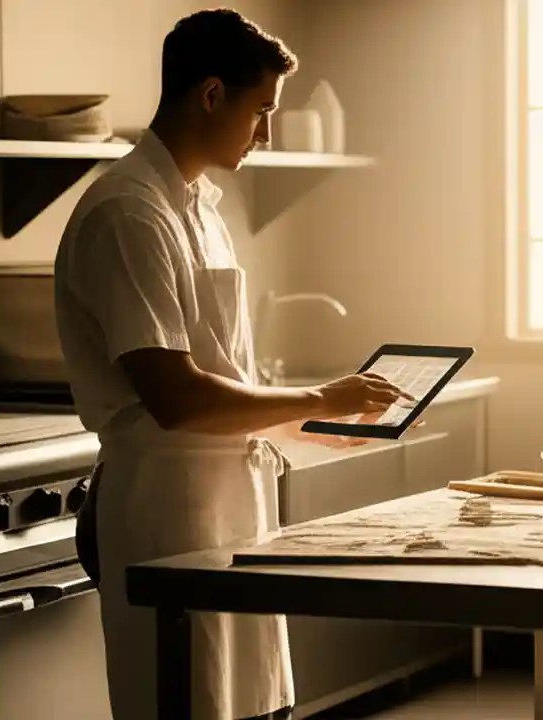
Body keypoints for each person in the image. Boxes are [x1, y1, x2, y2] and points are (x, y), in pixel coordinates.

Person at [53, 9, 410, 720]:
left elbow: (223, 379)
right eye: (261, 111)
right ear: (211, 95)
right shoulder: (129, 214)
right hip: (168, 513)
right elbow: (177, 398)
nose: (266, 133)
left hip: (234, 508)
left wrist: (322, 425)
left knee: (255, 705)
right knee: (188, 700)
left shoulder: (201, 209)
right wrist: (321, 397)